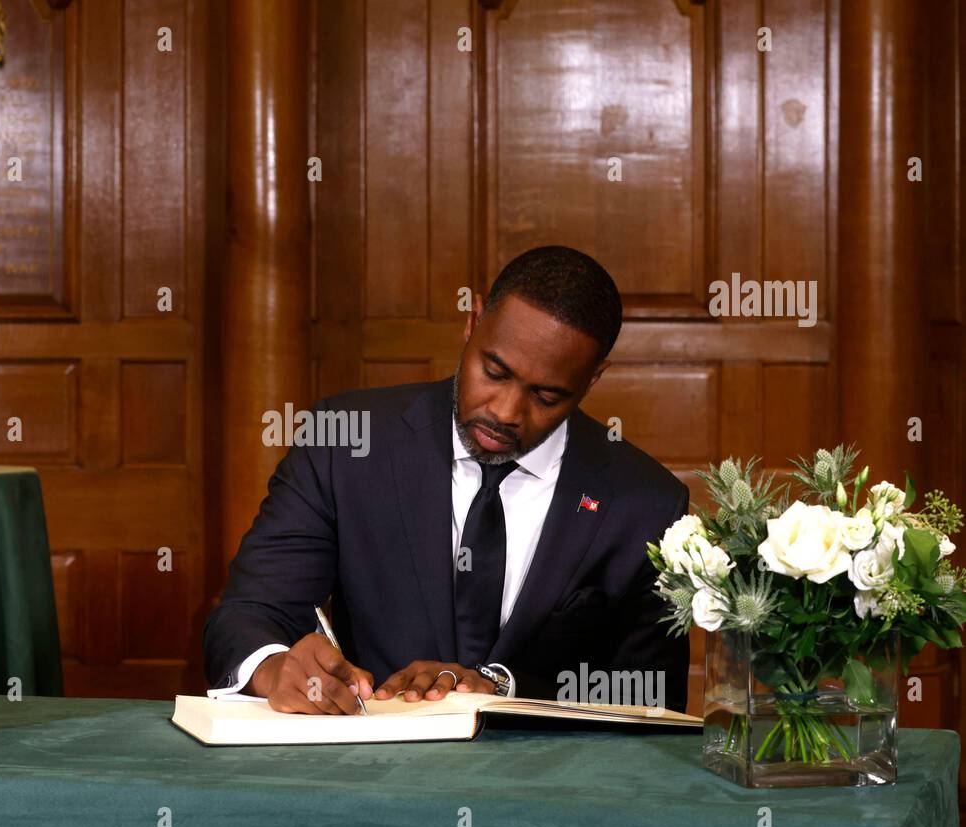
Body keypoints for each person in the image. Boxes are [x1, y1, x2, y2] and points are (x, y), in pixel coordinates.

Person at [204, 245, 690, 714]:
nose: (506, 412)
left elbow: (653, 701)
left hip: (548, 769)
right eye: (495, 372)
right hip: (370, 761)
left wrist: (505, 688)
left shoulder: (646, 503)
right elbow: (248, 613)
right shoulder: (345, 442)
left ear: (593, 378)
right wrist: (274, 668)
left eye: (546, 397)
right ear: (473, 321)